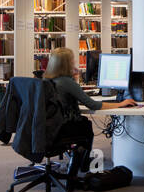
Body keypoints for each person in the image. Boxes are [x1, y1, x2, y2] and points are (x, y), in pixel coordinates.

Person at [41, 47, 137, 180]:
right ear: (66, 64)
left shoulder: (46, 81)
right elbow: (93, 105)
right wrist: (121, 104)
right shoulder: (67, 82)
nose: (74, 62)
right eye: (72, 60)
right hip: (61, 128)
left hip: (47, 127)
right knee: (85, 126)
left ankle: (81, 162)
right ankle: (79, 168)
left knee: (83, 123)